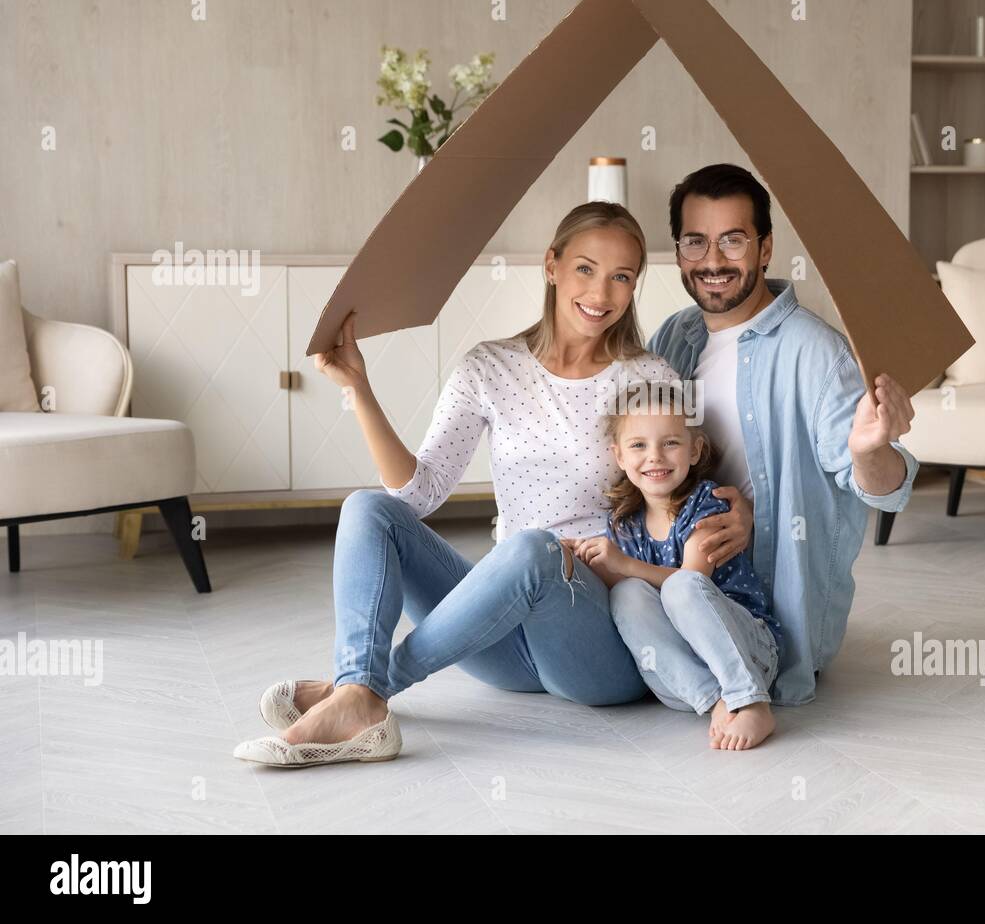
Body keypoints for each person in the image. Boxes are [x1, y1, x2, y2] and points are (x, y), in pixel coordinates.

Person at [233, 201, 753, 767]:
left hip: (598, 643)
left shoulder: (647, 376)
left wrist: (740, 512)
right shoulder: (490, 367)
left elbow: (685, 486)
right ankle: (358, 687)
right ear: (551, 265)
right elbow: (418, 494)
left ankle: (361, 692)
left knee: (536, 548)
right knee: (367, 509)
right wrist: (359, 389)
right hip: (502, 637)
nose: (600, 292)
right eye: (585, 268)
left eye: (621, 276)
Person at [631, 163, 919, 706]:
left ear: (764, 249)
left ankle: (737, 692)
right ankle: (713, 692)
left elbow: (883, 488)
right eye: (696, 242)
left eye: (732, 241)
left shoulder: (818, 353)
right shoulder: (675, 336)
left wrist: (870, 449)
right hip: (682, 581)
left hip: (771, 617)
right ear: (678, 251)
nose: (712, 261)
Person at [571, 381, 782, 750]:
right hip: (685, 676)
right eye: (638, 445)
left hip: (746, 654)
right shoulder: (625, 520)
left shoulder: (706, 505)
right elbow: (623, 584)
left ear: (695, 450)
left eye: (670, 442)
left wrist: (624, 564)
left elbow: (692, 579)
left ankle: (750, 701)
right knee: (625, 594)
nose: (655, 457)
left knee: (680, 585)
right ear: (619, 456)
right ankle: (717, 702)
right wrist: (585, 557)